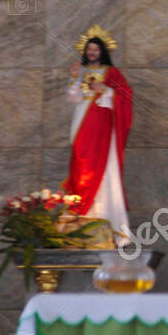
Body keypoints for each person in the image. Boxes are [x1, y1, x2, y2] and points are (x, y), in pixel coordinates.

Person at [63, 28, 133, 246]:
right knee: (80, 166)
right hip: (82, 125)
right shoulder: (80, 70)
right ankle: (78, 218)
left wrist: (105, 90)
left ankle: (106, 222)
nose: (92, 52)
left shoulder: (112, 72)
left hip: (102, 128)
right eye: (89, 49)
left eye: (95, 49)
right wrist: (74, 78)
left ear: (102, 51)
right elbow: (74, 98)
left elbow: (125, 96)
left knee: (102, 170)